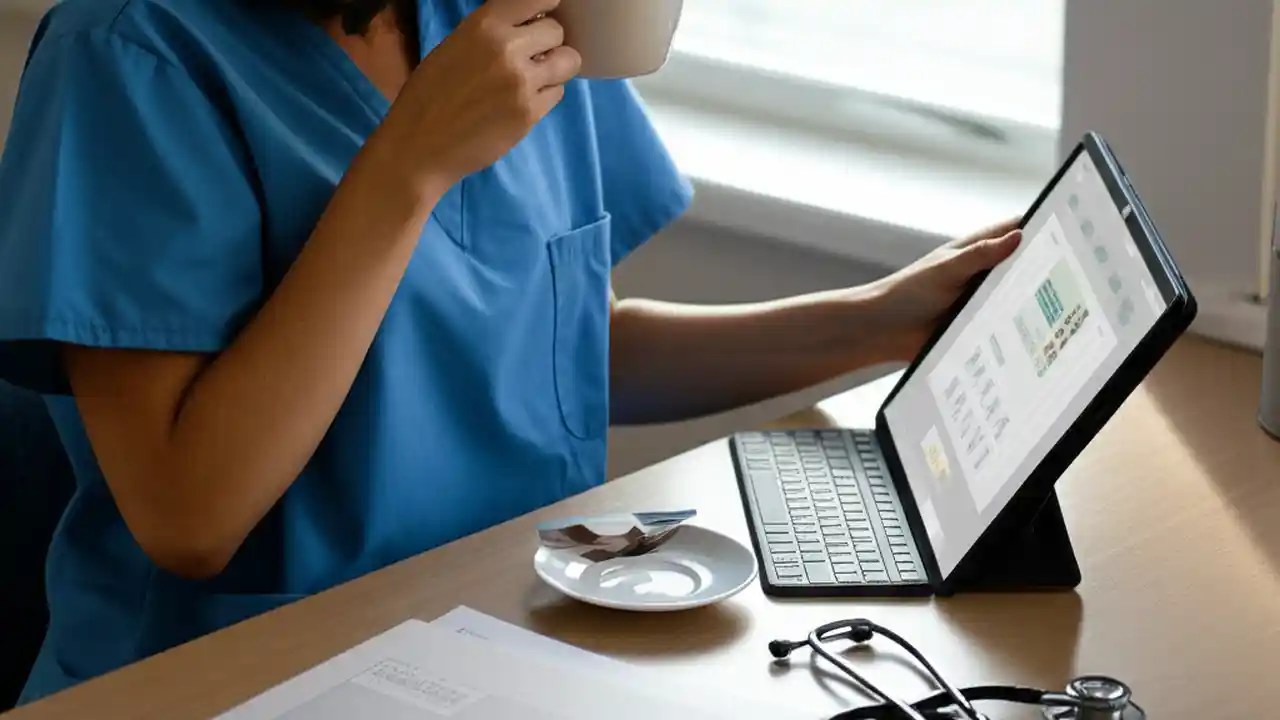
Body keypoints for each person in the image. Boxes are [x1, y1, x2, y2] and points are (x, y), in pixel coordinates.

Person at [0, 0, 1020, 704]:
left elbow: (564, 343)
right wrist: (406, 167)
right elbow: (190, 517)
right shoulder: (132, 52)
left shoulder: (503, 26)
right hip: (238, 677)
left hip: (515, 643)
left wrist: (878, 320)